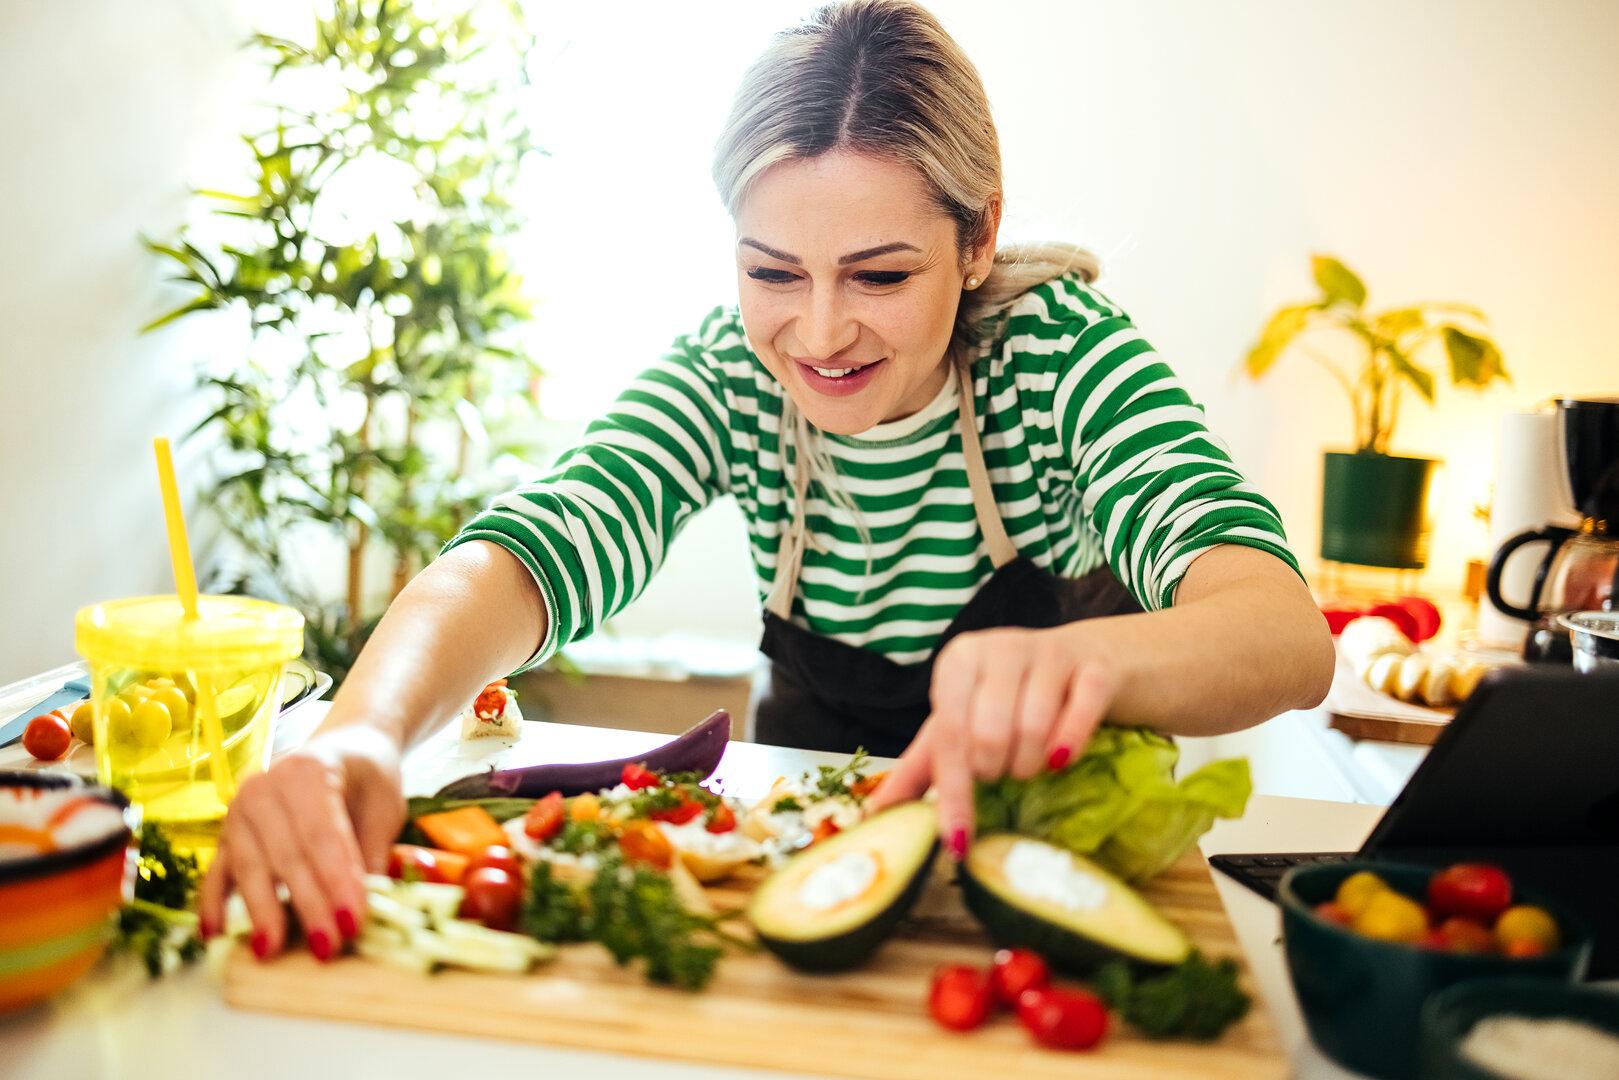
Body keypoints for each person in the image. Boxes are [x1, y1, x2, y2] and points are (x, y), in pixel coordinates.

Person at [199, 0, 1334, 960]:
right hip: (809, 857)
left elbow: (1282, 635)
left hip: (1032, 881)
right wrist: (360, 734)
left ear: (977, 237)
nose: (820, 332)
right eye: (771, 271)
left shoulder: (1060, 359)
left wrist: (1076, 659)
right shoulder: (730, 369)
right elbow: (521, 556)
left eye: (880, 274)